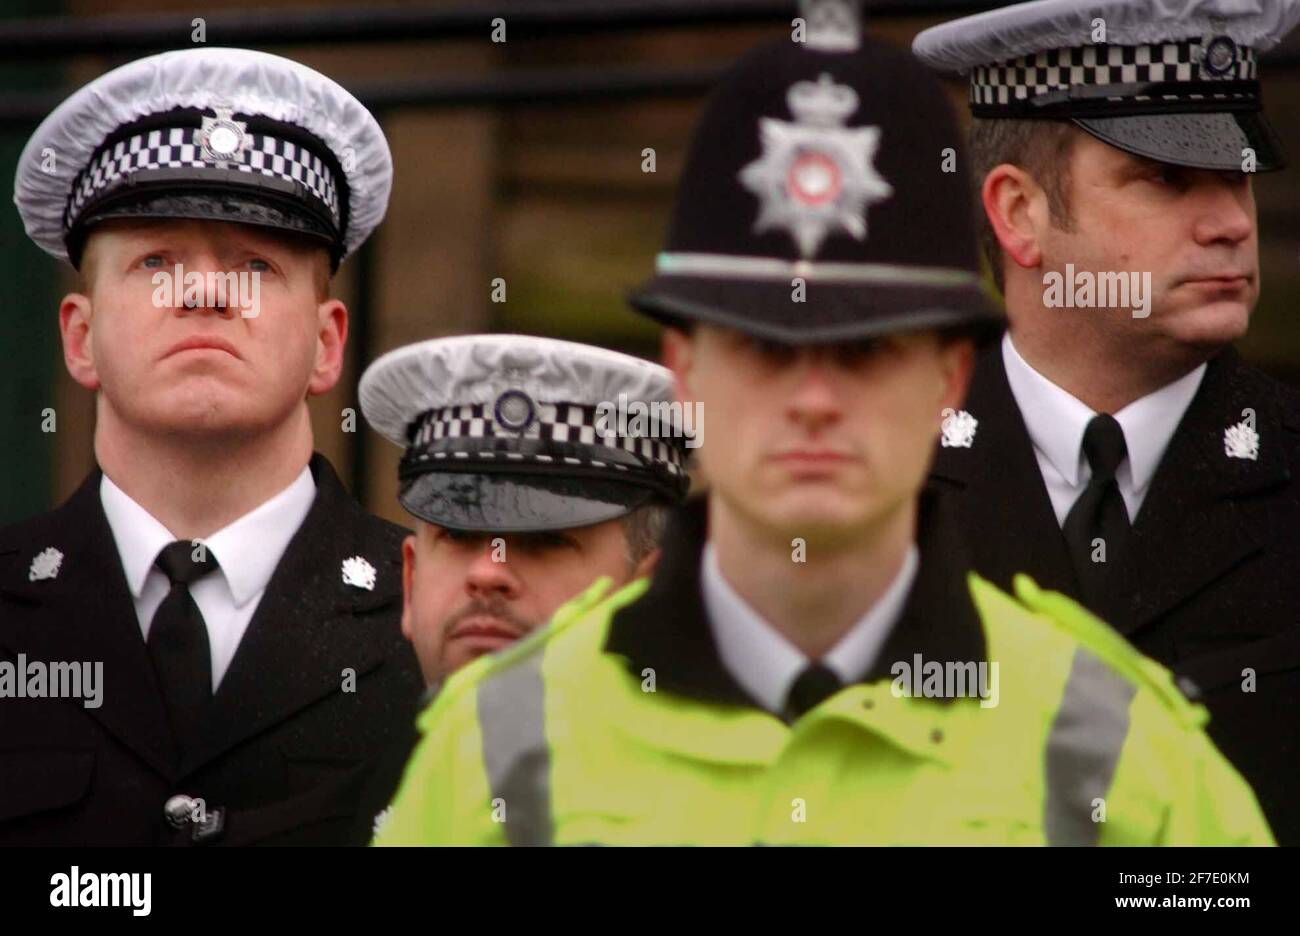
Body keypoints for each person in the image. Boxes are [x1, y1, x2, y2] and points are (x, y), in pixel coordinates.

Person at [373, 7, 1271, 846]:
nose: (812, 398)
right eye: (766, 346)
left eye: (866, 350)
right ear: (683, 372)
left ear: (950, 379)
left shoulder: (1127, 749)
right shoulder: (491, 746)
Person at [0, 47, 421, 845]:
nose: (204, 293)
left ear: (328, 345)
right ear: (80, 338)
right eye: (157, 261)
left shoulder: (437, 622)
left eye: (255, 267)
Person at [913, 0, 1300, 843]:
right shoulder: (876, 496)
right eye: (1165, 179)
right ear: (1018, 214)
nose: (1233, 223)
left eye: (1236, 176)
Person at [352, 333, 689, 840]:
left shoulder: (708, 812)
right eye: (459, 534)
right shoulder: (332, 782)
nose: (488, 572)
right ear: (410, 577)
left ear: (649, 586)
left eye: (545, 540)